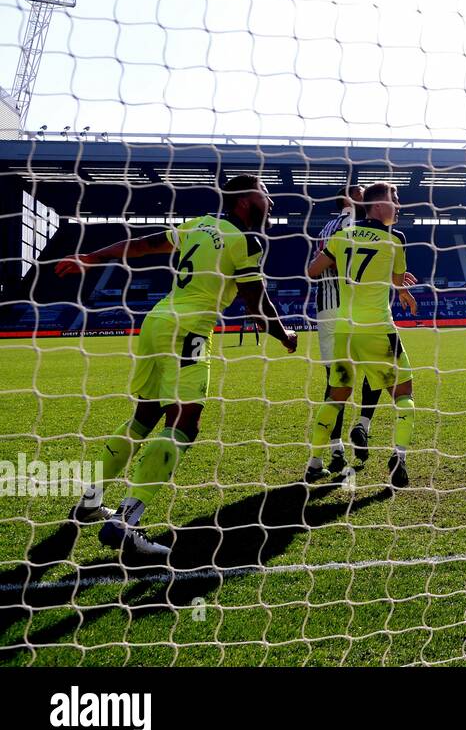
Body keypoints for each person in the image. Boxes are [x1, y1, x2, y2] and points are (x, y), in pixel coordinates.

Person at [59, 175, 296, 556]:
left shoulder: (199, 224)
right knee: (184, 423)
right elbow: (256, 305)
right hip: (190, 330)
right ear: (244, 200)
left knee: (144, 416)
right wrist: (285, 335)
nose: (269, 200)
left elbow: (143, 244)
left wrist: (92, 257)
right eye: (264, 193)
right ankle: (124, 522)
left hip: (157, 322)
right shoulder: (246, 240)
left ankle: (90, 500)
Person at [306, 181, 419, 485]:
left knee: (336, 395)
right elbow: (396, 280)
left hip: (344, 330)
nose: (399, 205)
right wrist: (403, 291)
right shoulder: (396, 238)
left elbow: (313, 271)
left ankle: (314, 461)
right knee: (403, 394)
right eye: (395, 199)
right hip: (378, 330)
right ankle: (398, 457)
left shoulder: (342, 236)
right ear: (379, 204)